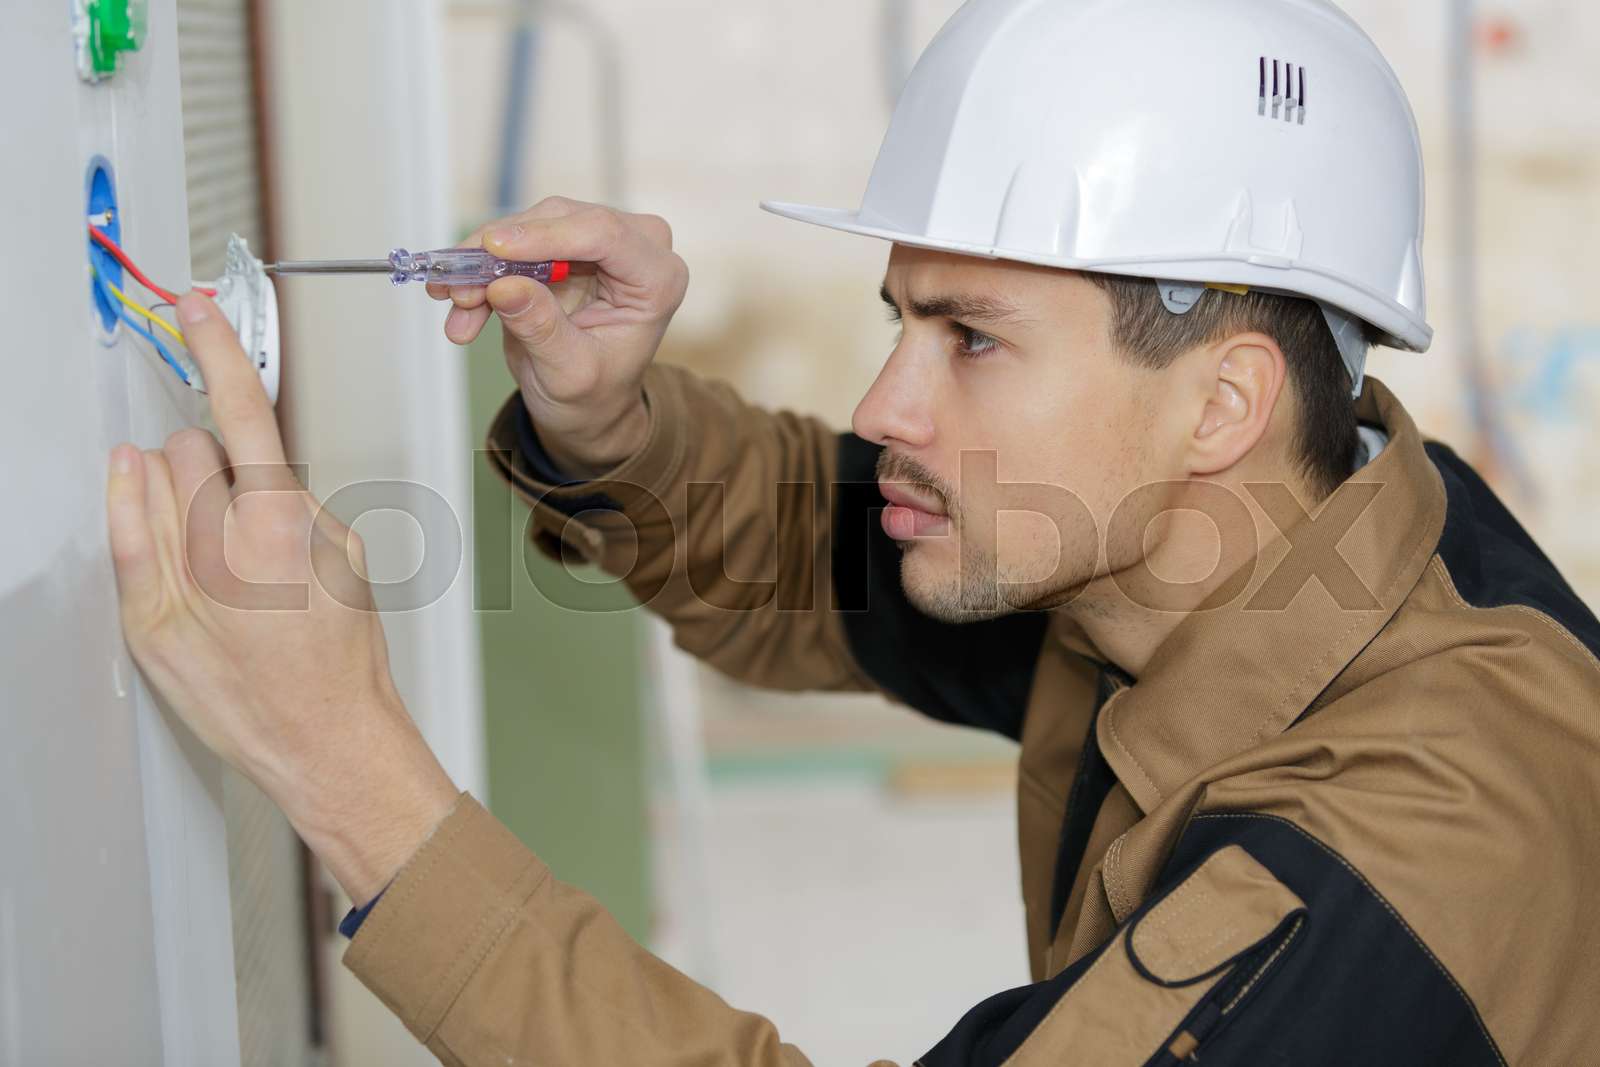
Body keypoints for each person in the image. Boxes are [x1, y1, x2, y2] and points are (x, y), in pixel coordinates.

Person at [107, 0, 1599, 1063]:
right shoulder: (1267, 543)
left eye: (972, 340)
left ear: (1221, 403)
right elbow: (822, 560)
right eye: (901, 320)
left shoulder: (1403, 859)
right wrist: (610, 427)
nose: (886, 401)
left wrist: (349, 772)